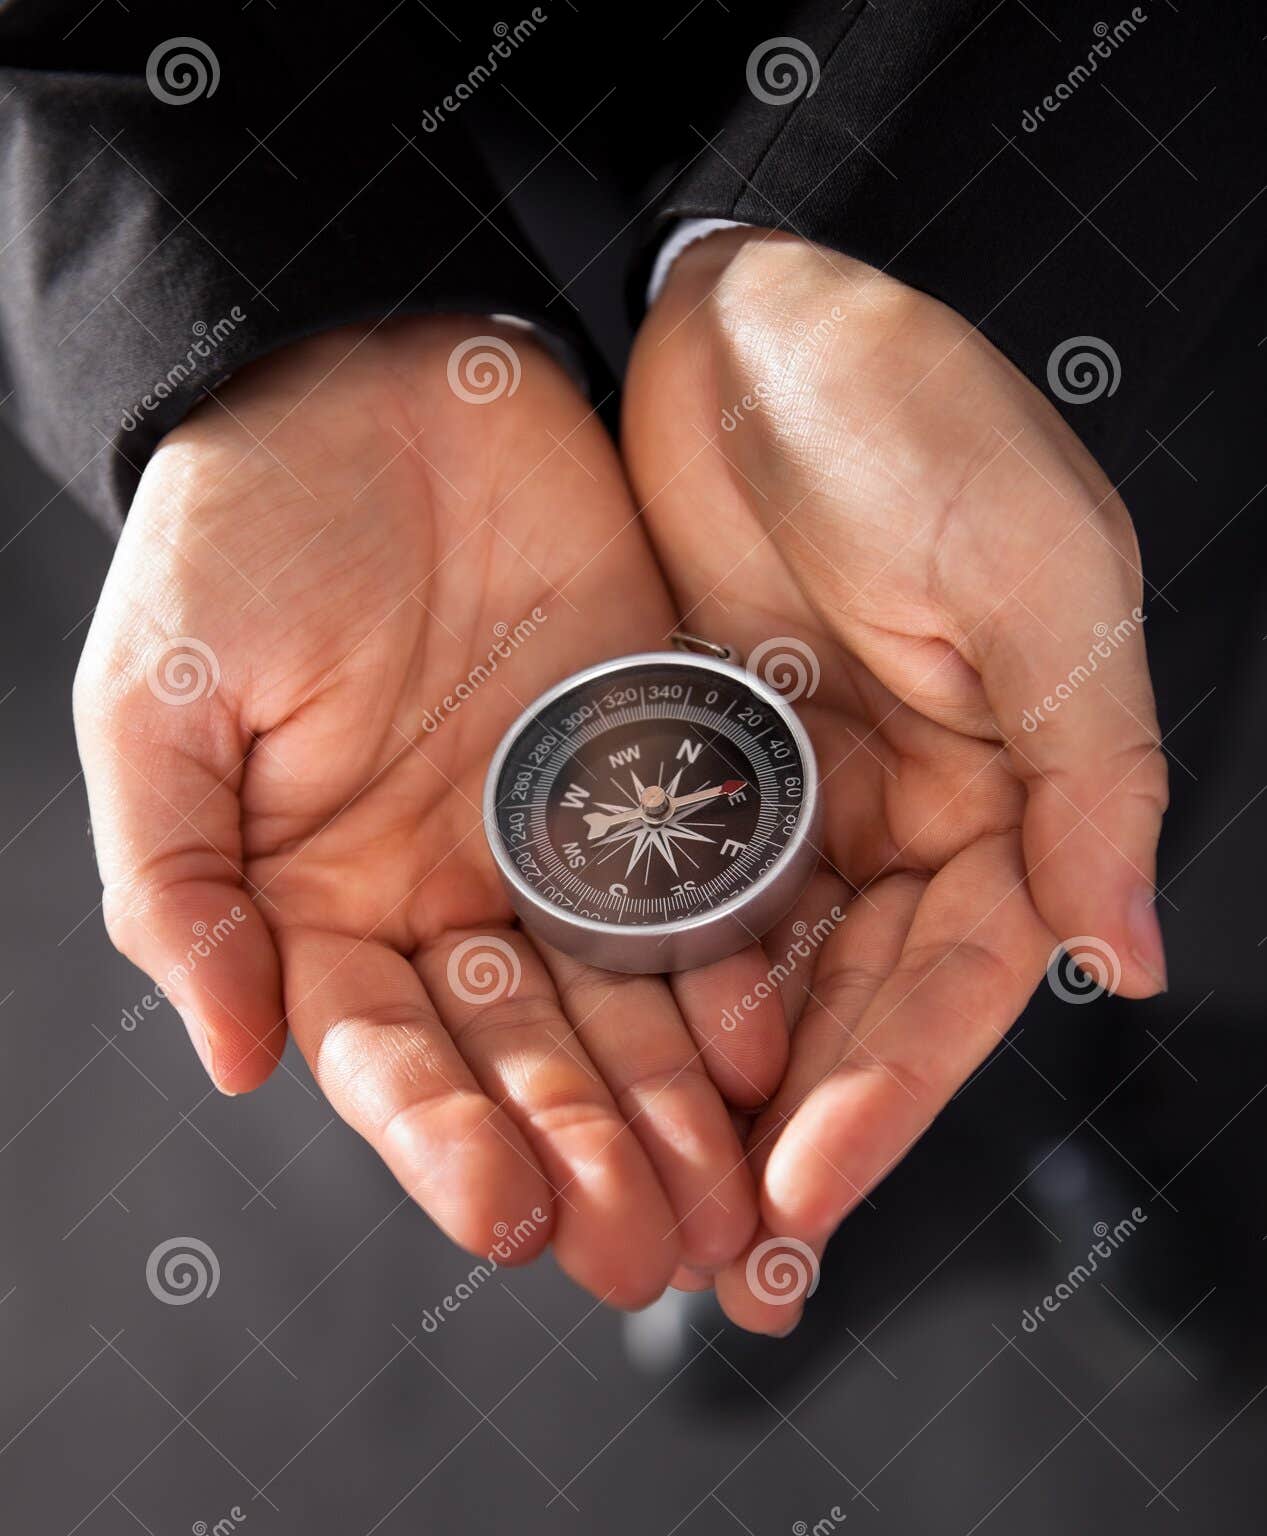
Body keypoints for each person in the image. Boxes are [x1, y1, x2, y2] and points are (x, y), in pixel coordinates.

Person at [1, 0, 1258, 1335]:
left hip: (1090, 189)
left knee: (1056, 730)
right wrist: (272, 315)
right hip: (424, 125)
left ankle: (1059, 1098)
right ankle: (811, 1165)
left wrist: (890, 221)